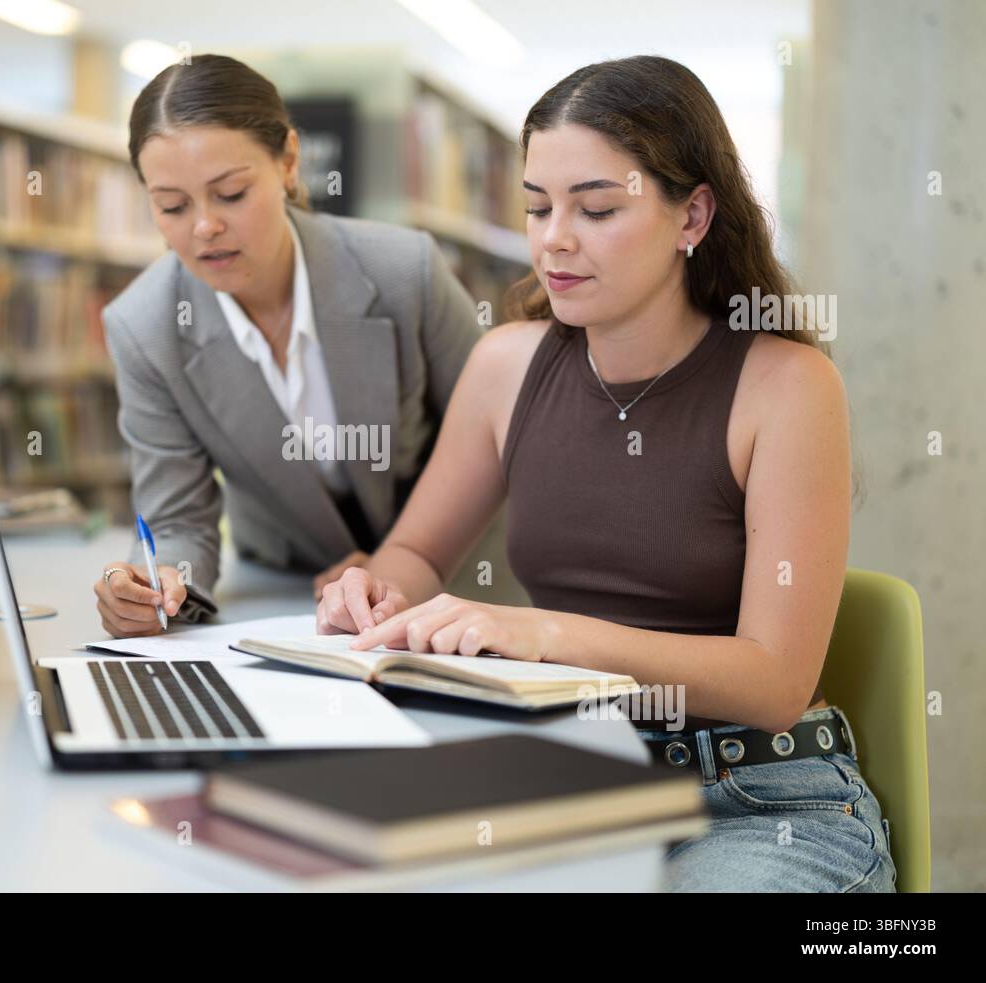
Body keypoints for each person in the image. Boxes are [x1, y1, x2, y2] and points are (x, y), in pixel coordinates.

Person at [316, 55, 896, 892]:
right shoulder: (506, 365)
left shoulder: (787, 386)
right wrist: (372, 589)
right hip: (566, 774)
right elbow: (412, 553)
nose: (555, 237)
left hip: (756, 798)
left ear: (692, 214)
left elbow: (775, 681)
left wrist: (548, 634)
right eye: (536, 207)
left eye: (595, 208)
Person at [93, 54, 482, 639]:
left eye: (230, 193)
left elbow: (501, 440)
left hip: (455, 582)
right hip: (290, 593)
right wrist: (160, 582)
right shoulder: (144, 329)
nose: (203, 227)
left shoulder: (406, 272)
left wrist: (399, 566)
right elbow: (177, 518)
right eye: (171, 205)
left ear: (290, 162)